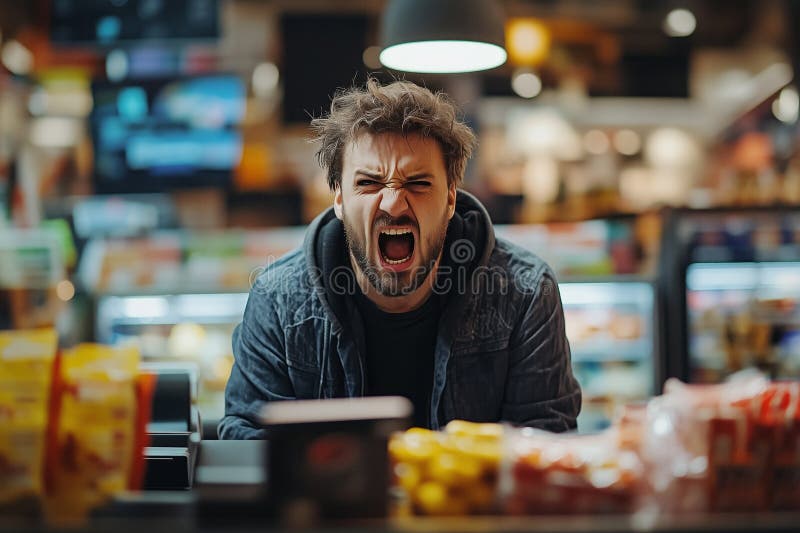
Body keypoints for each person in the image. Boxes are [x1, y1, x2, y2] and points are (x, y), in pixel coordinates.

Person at [219, 79, 581, 439]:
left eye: (419, 184)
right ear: (340, 199)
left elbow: (545, 445)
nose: (393, 204)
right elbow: (248, 438)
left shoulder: (526, 293)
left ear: (451, 199)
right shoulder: (278, 299)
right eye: (369, 183)